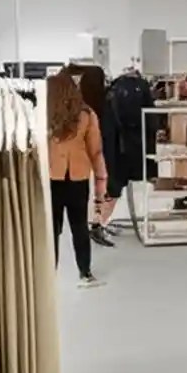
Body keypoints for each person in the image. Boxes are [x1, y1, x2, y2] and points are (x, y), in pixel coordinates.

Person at [46, 73, 106, 287]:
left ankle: (48, 276)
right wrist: (101, 178)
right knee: (79, 225)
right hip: (78, 177)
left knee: (51, 228)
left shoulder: (43, 115)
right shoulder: (87, 115)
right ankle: (85, 272)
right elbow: (96, 151)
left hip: (51, 177)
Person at [78, 67, 118, 247]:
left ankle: (96, 222)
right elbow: (110, 128)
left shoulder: (80, 104)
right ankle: (97, 224)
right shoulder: (105, 101)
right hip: (102, 150)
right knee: (104, 188)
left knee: (91, 190)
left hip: (84, 151)